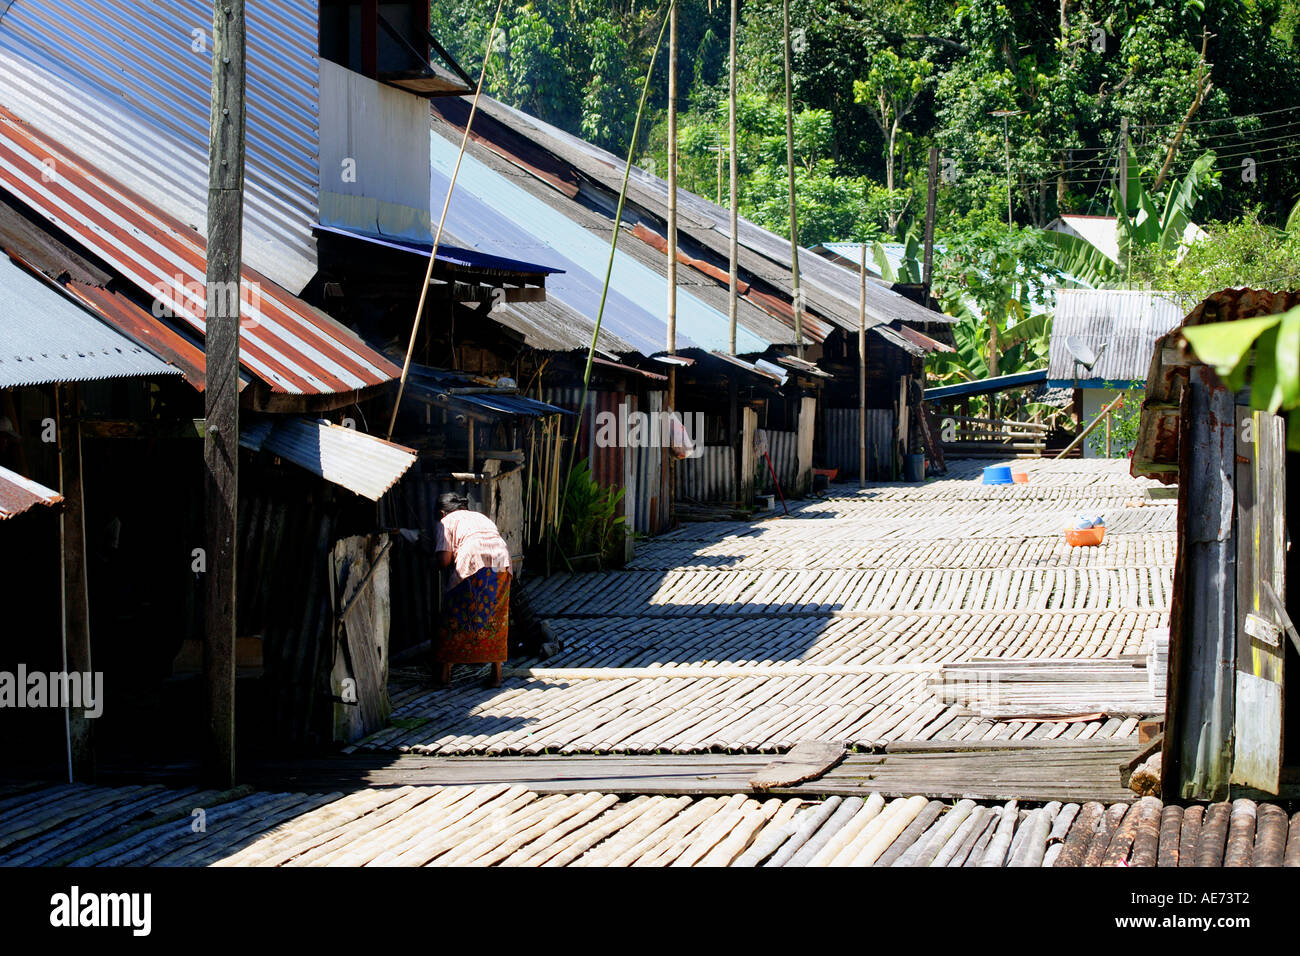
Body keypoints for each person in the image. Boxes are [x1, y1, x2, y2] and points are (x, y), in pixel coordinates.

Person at [433, 492, 513, 688]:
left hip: (472, 560)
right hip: (501, 563)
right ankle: (496, 676)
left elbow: (443, 561)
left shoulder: (446, 521)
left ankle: (445, 677)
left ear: (442, 512)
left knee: (454, 615)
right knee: (496, 618)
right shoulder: (480, 517)